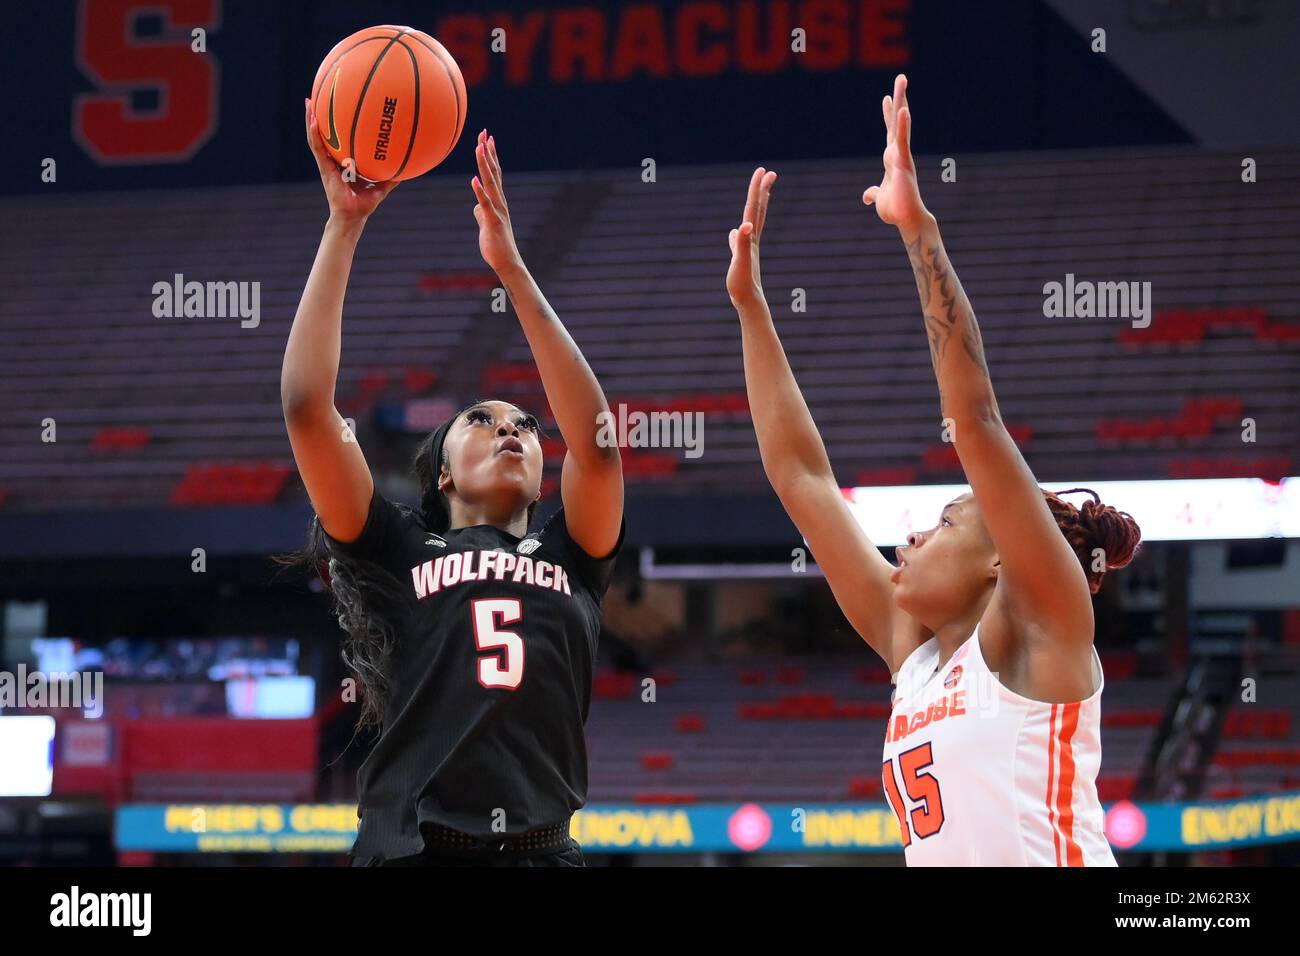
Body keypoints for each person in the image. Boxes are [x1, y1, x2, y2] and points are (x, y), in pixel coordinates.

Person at [725, 75, 1140, 865]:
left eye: (945, 520)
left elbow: (976, 423)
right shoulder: (912, 653)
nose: (910, 534)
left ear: (1000, 556)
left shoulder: (1041, 629)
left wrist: (917, 231)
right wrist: (751, 310)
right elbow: (800, 478)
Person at [279, 104, 624, 866]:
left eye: (527, 426)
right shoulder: (396, 544)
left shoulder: (573, 555)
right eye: (481, 418)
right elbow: (307, 408)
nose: (512, 430)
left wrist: (513, 269)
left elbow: (598, 448)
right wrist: (344, 223)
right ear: (439, 468)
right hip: (417, 850)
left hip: (544, 852)